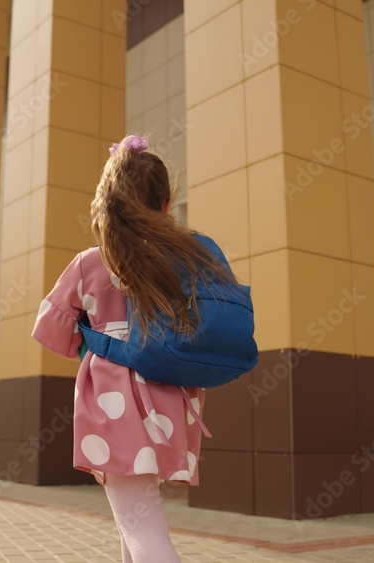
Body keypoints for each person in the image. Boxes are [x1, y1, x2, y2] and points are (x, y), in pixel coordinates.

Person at [31, 134, 238, 562]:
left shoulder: (90, 263)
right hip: (168, 398)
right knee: (135, 519)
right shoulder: (183, 257)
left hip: (113, 406)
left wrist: (93, 334)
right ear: (165, 205)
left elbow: (51, 330)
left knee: (141, 527)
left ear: (110, 201)